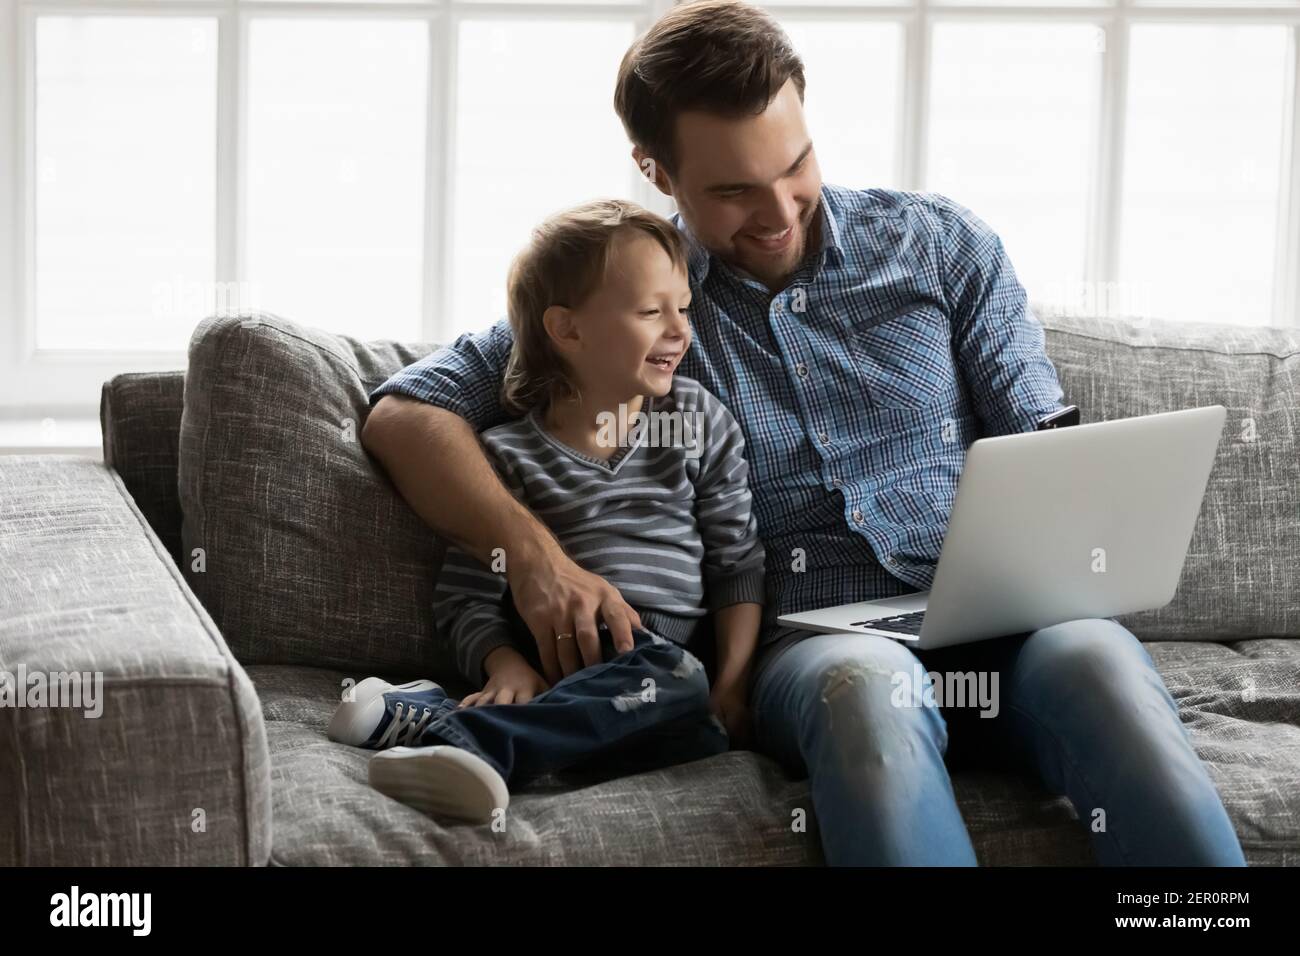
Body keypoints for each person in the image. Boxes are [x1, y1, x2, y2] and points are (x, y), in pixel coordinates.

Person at [360, 0, 1245, 864]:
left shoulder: (941, 248)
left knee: (1102, 663)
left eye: (797, 166)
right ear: (657, 172)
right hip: (816, 653)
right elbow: (405, 414)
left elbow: (1051, 449)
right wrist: (538, 558)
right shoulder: (634, 303)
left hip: (1010, 632)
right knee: (869, 689)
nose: (780, 212)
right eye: (734, 191)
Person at [330, 198, 765, 823]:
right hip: (569, 666)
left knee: (701, 730)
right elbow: (466, 597)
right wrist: (504, 663)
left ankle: (437, 721)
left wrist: (733, 682)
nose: (679, 330)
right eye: (651, 311)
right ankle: (473, 742)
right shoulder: (508, 457)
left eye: (683, 308)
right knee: (677, 683)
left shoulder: (699, 423)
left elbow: (738, 564)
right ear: (567, 329)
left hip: (665, 674)